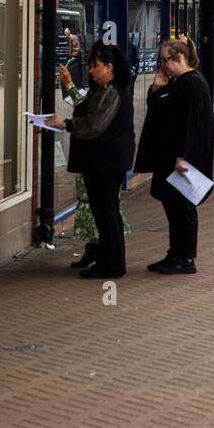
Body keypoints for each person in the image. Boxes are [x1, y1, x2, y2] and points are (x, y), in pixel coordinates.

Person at [47, 42, 134, 279]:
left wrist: (65, 124)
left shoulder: (112, 91)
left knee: (107, 213)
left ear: (109, 67)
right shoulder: (104, 89)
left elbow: (95, 125)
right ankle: (107, 260)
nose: (91, 71)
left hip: (106, 162)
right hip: (102, 162)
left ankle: (112, 264)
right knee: (104, 213)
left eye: (95, 66)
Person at [133, 39, 214, 275]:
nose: (163, 65)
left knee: (183, 208)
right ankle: (176, 253)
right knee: (173, 205)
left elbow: (192, 123)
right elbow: (158, 108)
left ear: (178, 58)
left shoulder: (194, 84)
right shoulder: (179, 82)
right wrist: (157, 88)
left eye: (165, 60)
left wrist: (183, 156)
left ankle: (185, 257)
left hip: (183, 161)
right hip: (170, 157)